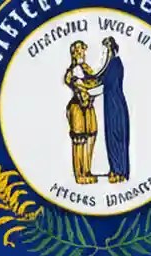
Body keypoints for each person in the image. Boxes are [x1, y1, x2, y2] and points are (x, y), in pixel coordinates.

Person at [63, 41, 101, 184]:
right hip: (77, 106)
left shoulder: (86, 68)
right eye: (79, 51)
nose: (82, 53)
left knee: (91, 136)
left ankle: (87, 171)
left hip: (89, 105)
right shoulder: (73, 70)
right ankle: (79, 174)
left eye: (83, 51)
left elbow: (94, 82)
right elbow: (79, 84)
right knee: (79, 139)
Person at [95, 37, 131, 183]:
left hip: (115, 104)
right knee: (111, 137)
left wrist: (87, 91)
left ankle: (119, 171)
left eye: (105, 50)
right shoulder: (110, 65)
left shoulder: (114, 64)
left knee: (116, 136)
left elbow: (105, 85)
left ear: (110, 49)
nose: (103, 54)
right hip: (110, 103)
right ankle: (115, 170)